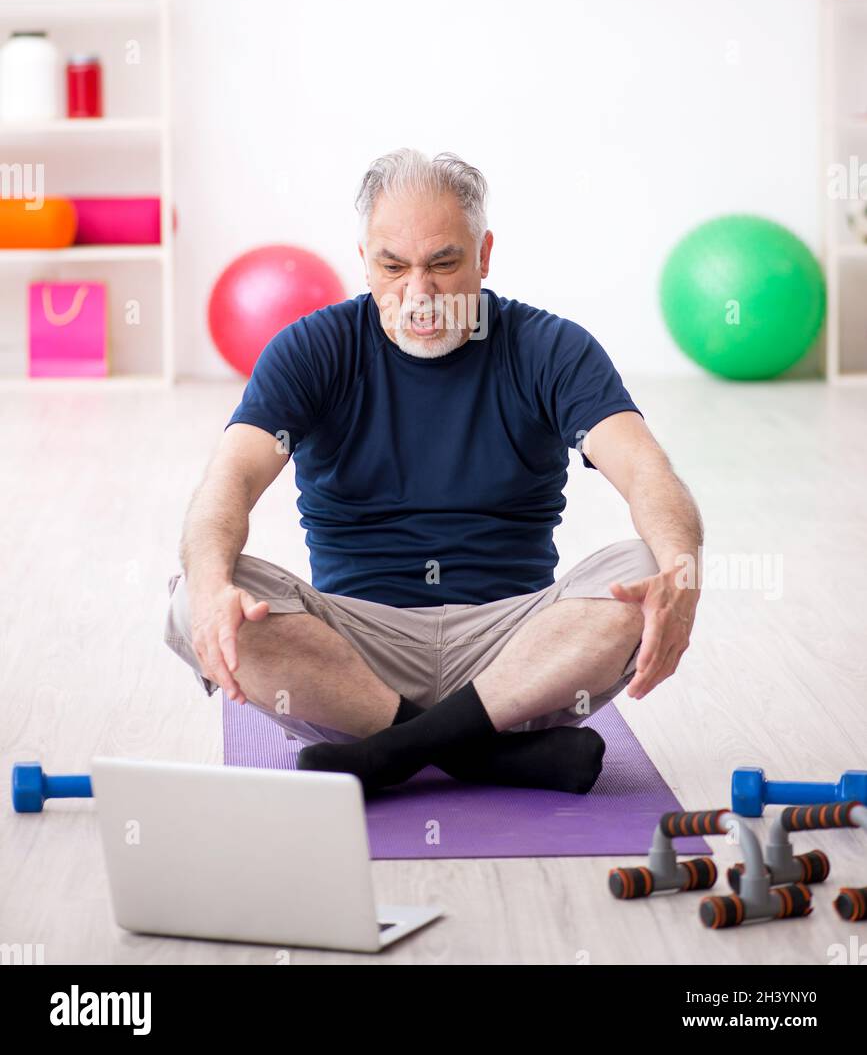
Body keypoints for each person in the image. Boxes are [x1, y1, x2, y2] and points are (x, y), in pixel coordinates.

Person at [165, 149, 703, 796]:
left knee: (646, 568)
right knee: (189, 591)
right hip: (355, 655)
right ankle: (486, 755)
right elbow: (229, 480)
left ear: (483, 254)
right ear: (363, 259)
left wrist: (680, 572)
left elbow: (645, 468)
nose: (418, 295)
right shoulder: (311, 349)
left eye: (443, 264)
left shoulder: (549, 348)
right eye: (393, 267)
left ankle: (392, 752)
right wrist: (210, 584)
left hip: (514, 654)